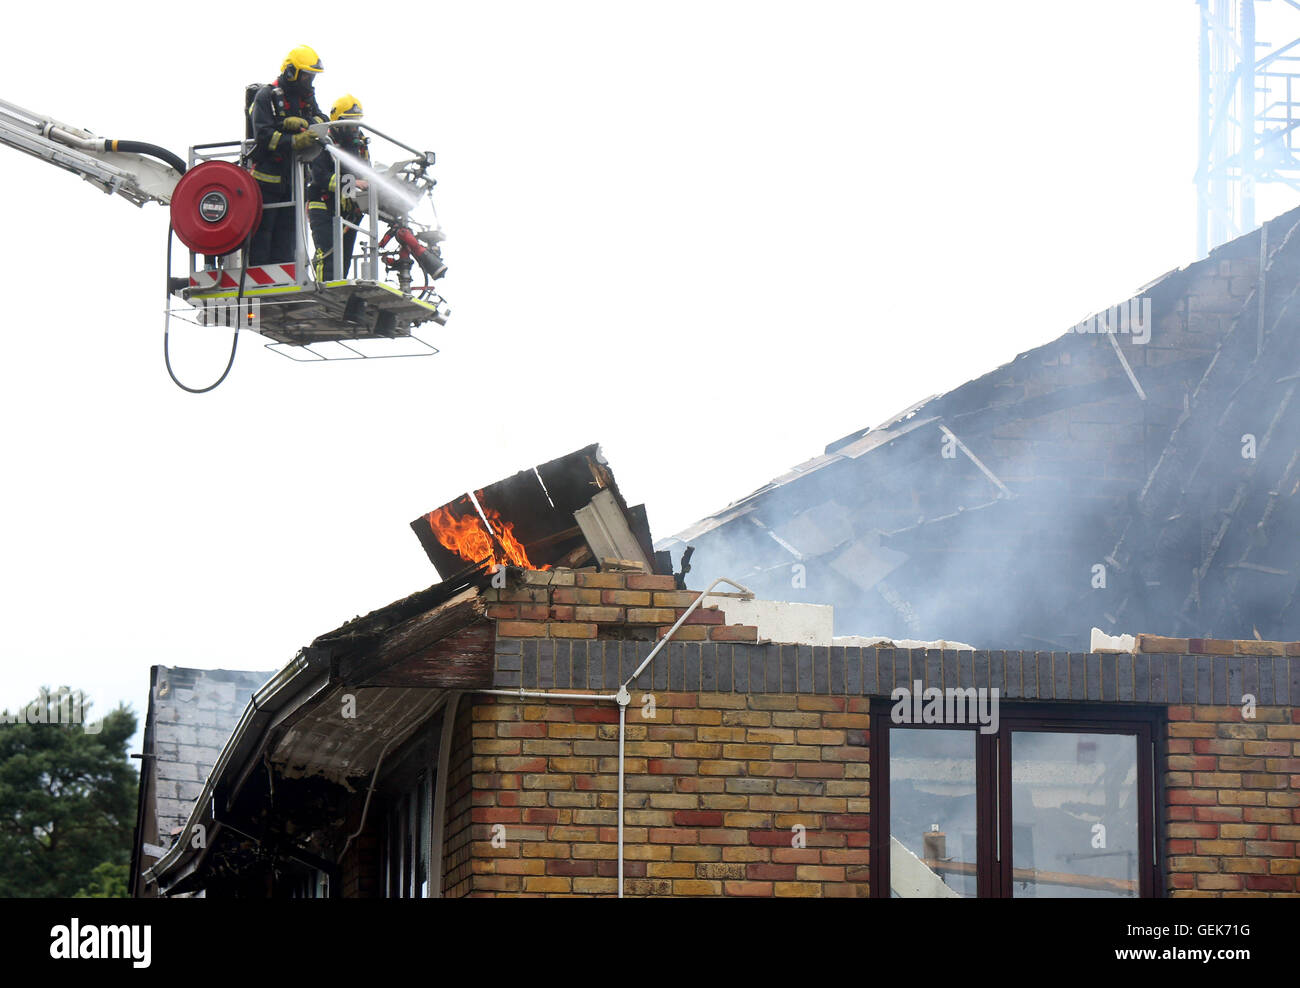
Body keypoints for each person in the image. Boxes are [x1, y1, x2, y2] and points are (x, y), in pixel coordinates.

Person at [246, 45, 327, 266]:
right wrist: (292, 140)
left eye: (312, 76)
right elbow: (263, 136)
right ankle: (259, 280)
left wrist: (308, 123)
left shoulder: (307, 98)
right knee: (262, 238)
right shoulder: (266, 97)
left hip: (294, 182)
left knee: (287, 240)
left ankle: (283, 280)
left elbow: (323, 120)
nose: (310, 81)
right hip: (267, 182)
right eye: (307, 75)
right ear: (292, 72)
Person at [308, 94, 370, 281]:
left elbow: (367, 172)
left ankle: (336, 293)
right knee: (327, 258)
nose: (354, 127)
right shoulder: (325, 142)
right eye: (350, 122)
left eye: (357, 122)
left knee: (343, 262)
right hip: (324, 207)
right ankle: (323, 292)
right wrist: (352, 183)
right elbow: (320, 176)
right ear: (338, 122)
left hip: (349, 211)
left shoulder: (360, 145)